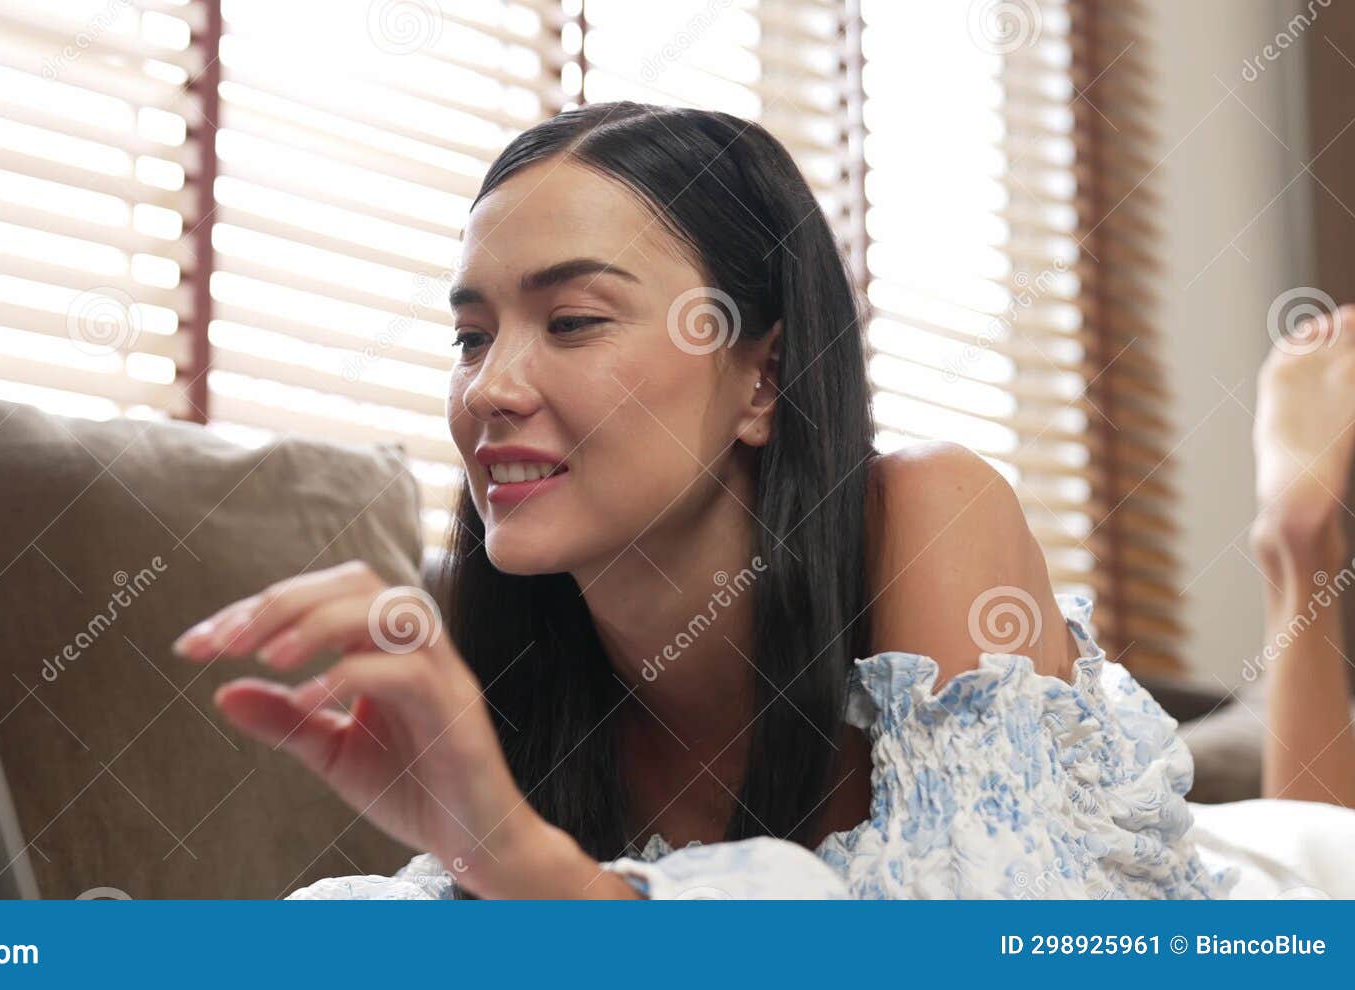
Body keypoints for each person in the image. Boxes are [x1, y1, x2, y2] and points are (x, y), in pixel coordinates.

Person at [172, 102, 1355, 899]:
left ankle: (1295, 538)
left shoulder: (930, 511)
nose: (491, 388)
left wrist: (534, 873)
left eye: (572, 321)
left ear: (763, 376)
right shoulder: (482, 639)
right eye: (470, 335)